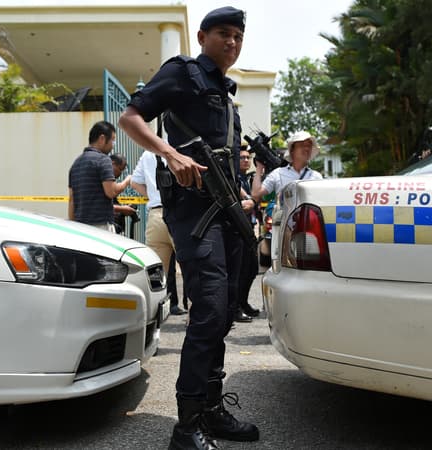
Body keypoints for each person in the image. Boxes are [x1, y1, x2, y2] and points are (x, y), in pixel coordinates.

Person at [118, 6, 259, 450]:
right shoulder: (182, 73)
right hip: (192, 212)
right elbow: (131, 118)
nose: (231, 42)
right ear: (202, 36)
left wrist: (240, 195)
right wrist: (170, 154)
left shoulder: (227, 93)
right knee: (211, 307)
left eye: (237, 35)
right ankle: (187, 424)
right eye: (223, 33)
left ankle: (212, 409)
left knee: (227, 309)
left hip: (226, 211)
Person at [130, 151, 186, 315]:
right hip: (180, 215)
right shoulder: (184, 147)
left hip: (156, 215)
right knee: (191, 270)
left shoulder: (148, 153)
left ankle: (151, 317)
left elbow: (134, 182)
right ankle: (195, 319)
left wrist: (154, 196)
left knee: (154, 274)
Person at [68, 121, 131, 232]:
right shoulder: (103, 160)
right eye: (113, 140)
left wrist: (74, 227)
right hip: (101, 227)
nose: (113, 145)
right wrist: (126, 181)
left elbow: (72, 200)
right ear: (102, 139)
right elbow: (111, 192)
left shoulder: (76, 164)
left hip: (80, 226)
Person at [251, 130, 323, 204]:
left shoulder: (316, 177)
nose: (306, 149)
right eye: (302, 145)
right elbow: (256, 194)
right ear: (292, 150)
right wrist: (259, 167)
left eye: (309, 146)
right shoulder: (278, 174)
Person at [236, 146, 260, 320]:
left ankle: (243, 302)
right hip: (237, 228)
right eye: (242, 157)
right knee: (240, 269)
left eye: (247, 157)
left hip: (249, 228)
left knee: (251, 269)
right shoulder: (235, 178)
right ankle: (235, 307)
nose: (246, 160)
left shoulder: (247, 178)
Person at [110, 153, 138, 235]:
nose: (120, 173)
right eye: (119, 169)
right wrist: (126, 181)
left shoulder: (110, 180)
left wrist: (124, 209)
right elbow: (103, 206)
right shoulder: (103, 178)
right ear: (113, 163)